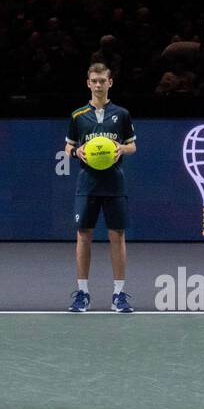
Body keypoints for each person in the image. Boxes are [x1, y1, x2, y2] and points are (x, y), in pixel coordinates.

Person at [65, 62, 137, 313]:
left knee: (117, 236)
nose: (98, 85)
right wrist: (77, 151)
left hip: (114, 182)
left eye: (102, 81)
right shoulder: (77, 116)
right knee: (84, 236)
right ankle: (82, 293)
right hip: (87, 183)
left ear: (110, 83)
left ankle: (119, 294)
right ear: (88, 83)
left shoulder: (122, 114)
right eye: (94, 81)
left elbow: (132, 146)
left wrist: (121, 149)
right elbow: (68, 147)